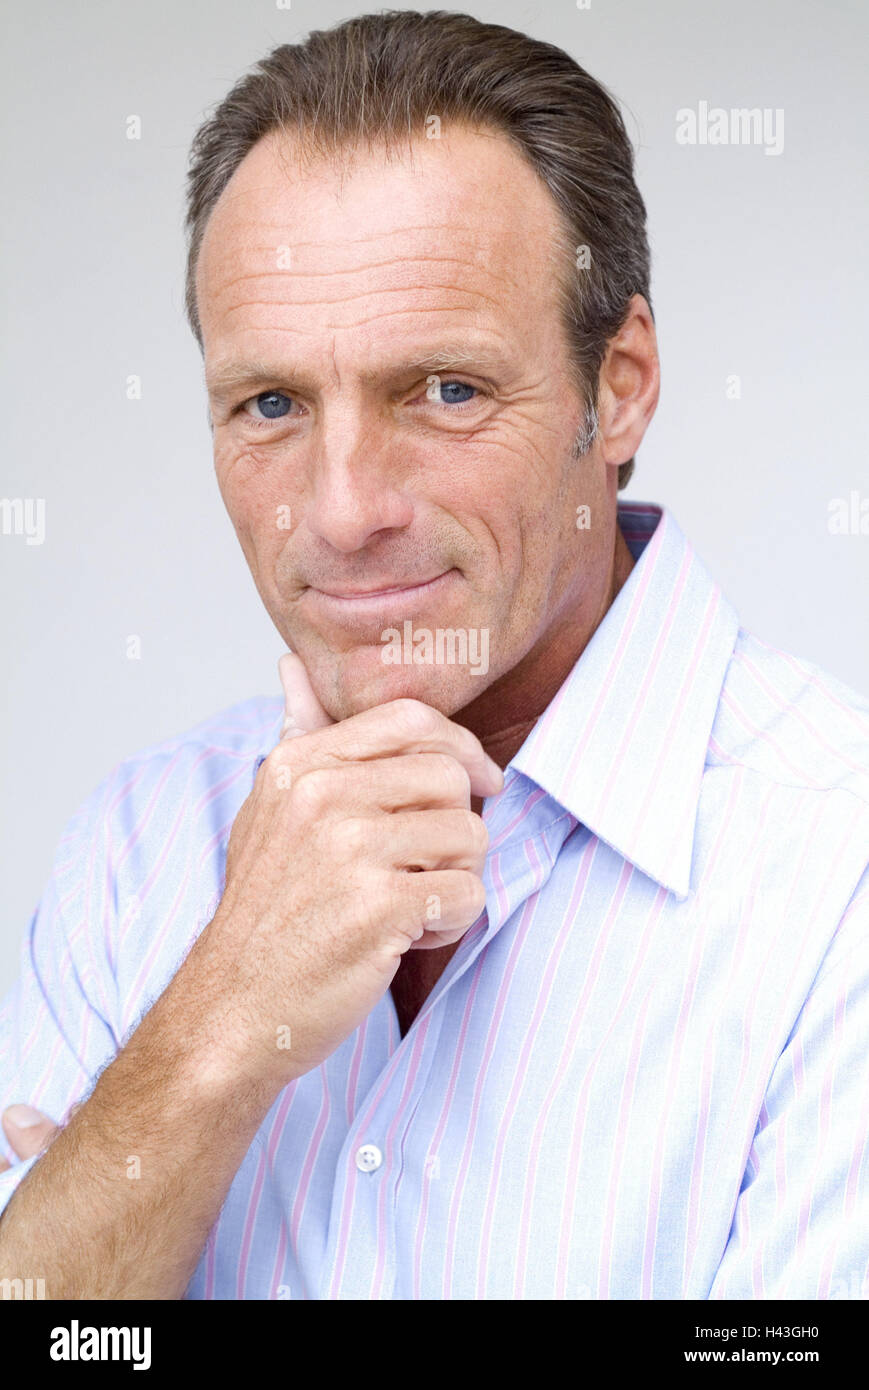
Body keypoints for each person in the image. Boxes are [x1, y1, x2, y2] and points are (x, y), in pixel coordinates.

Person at [1, 10, 867, 1301]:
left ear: (617, 383)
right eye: (272, 404)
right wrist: (213, 1034)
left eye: (446, 390)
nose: (343, 510)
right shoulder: (139, 842)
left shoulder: (835, 865)